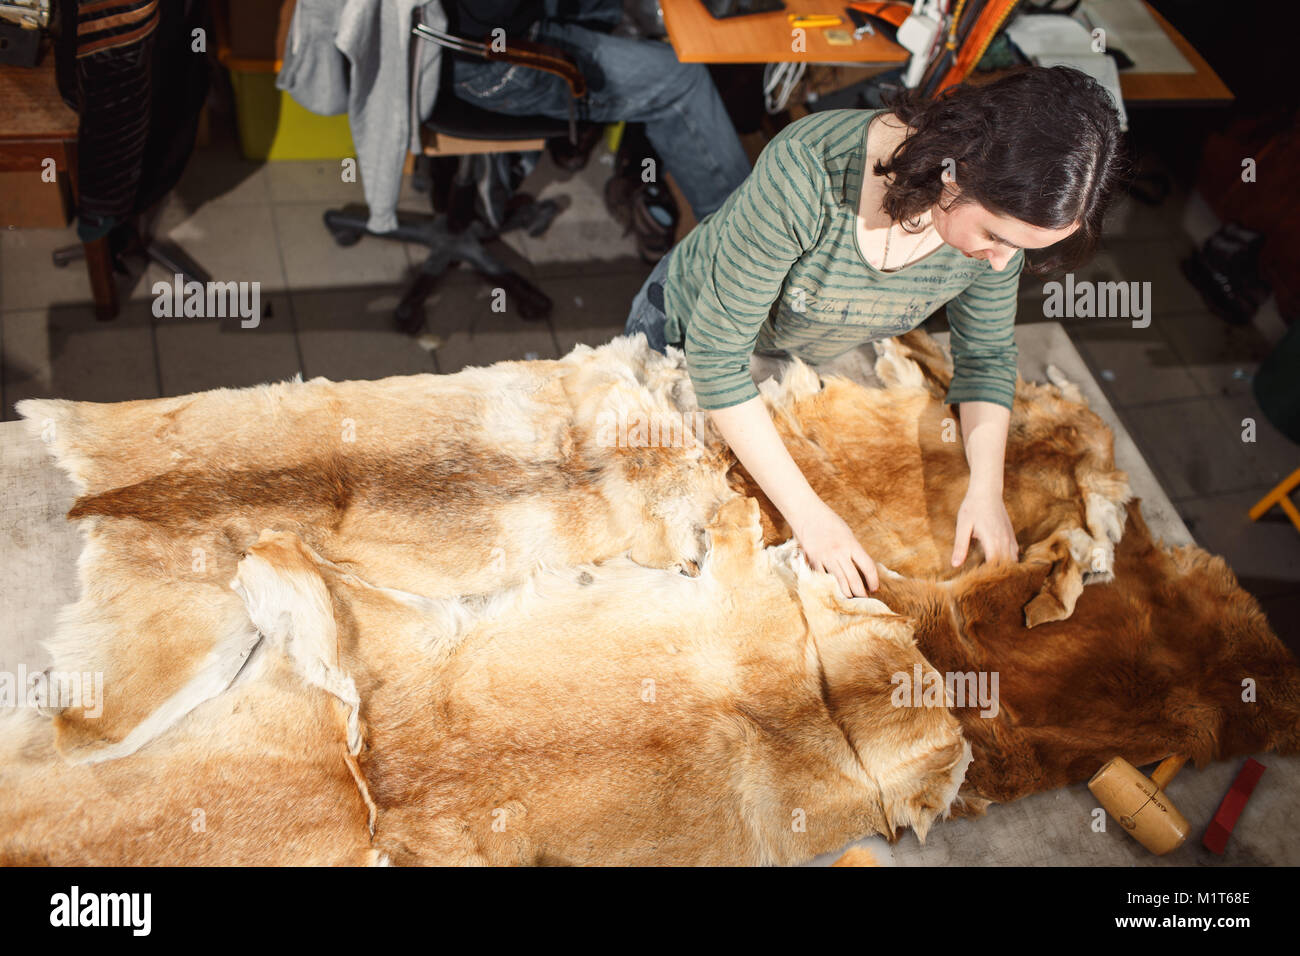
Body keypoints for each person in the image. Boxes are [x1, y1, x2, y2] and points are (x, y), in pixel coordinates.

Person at [624, 66, 1129, 599]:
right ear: (954, 175)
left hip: (789, 360)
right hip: (684, 339)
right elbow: (717, 358)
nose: (1003, 265)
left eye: (1023, 249)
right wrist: (811, 519)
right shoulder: (808, 171)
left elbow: (985, 356)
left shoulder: (995, 240)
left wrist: (985, 487)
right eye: (994, 236)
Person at [445, 0, 751, 220]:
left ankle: (629, 51)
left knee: (647, 9)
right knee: (683, 82)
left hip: (478, 26)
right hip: (490, 58)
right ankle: (744, 252)